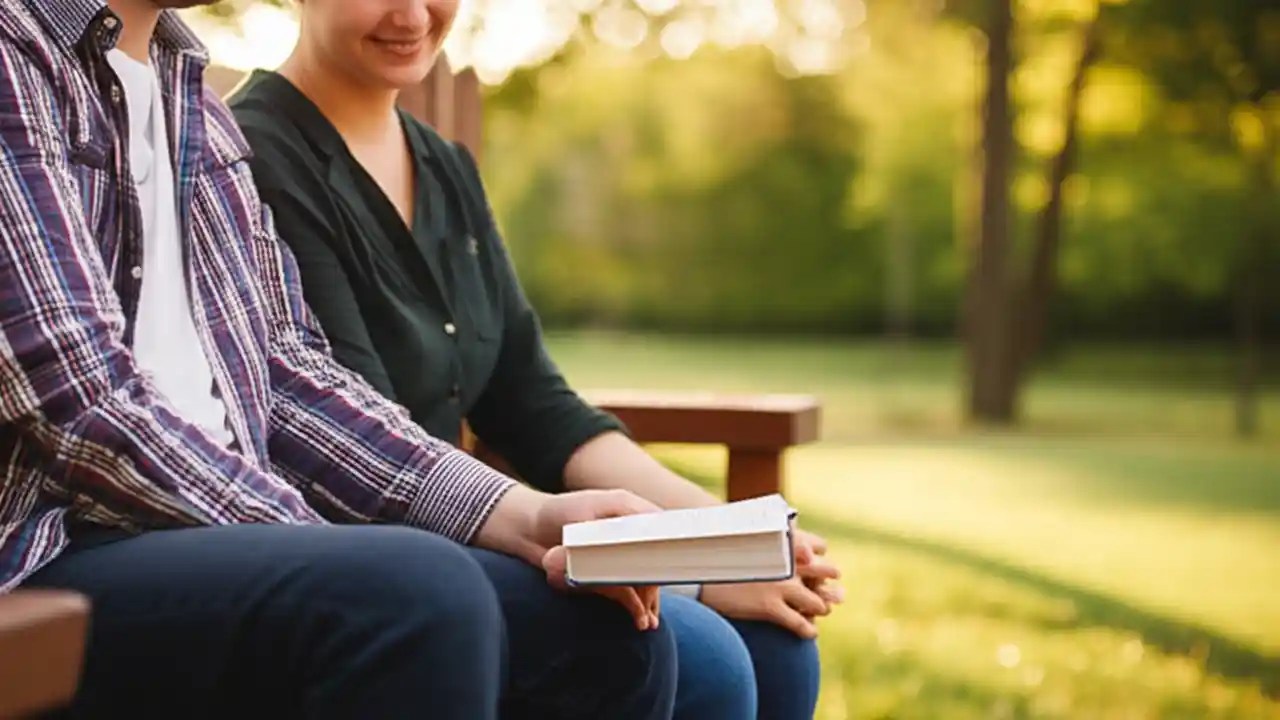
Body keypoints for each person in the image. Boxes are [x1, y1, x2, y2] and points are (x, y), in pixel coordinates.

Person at [0, 0, 684, 717]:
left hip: (223, 544)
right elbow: (73, 393)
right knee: (418, 593)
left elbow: (289, 372)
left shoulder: (186, 92)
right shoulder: (20, 53)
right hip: (52, 557)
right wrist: (308, 541)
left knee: (602, 635)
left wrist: (523, 513)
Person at [228, 1, 845, 718]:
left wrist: (725, 537)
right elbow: (357, 447)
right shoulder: (259, 157)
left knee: (780, 648)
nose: (412, 13)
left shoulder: (443, 166)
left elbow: (535, 403)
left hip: (497, 530)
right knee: (711, 663)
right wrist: (695, 580)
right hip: (385, 554)